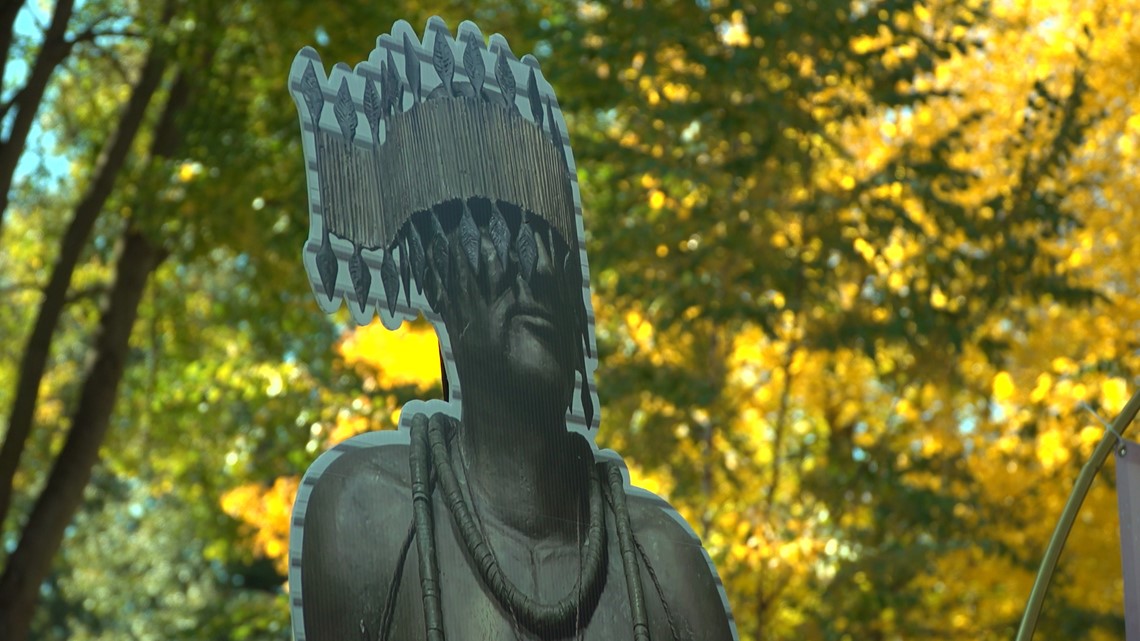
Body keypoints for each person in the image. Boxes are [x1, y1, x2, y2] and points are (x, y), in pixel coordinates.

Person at [288, 18, 737, 641]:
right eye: (503, 236)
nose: (542, 271)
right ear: (437, 281)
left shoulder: (661, 562)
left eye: (556, 247)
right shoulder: (370, 518)